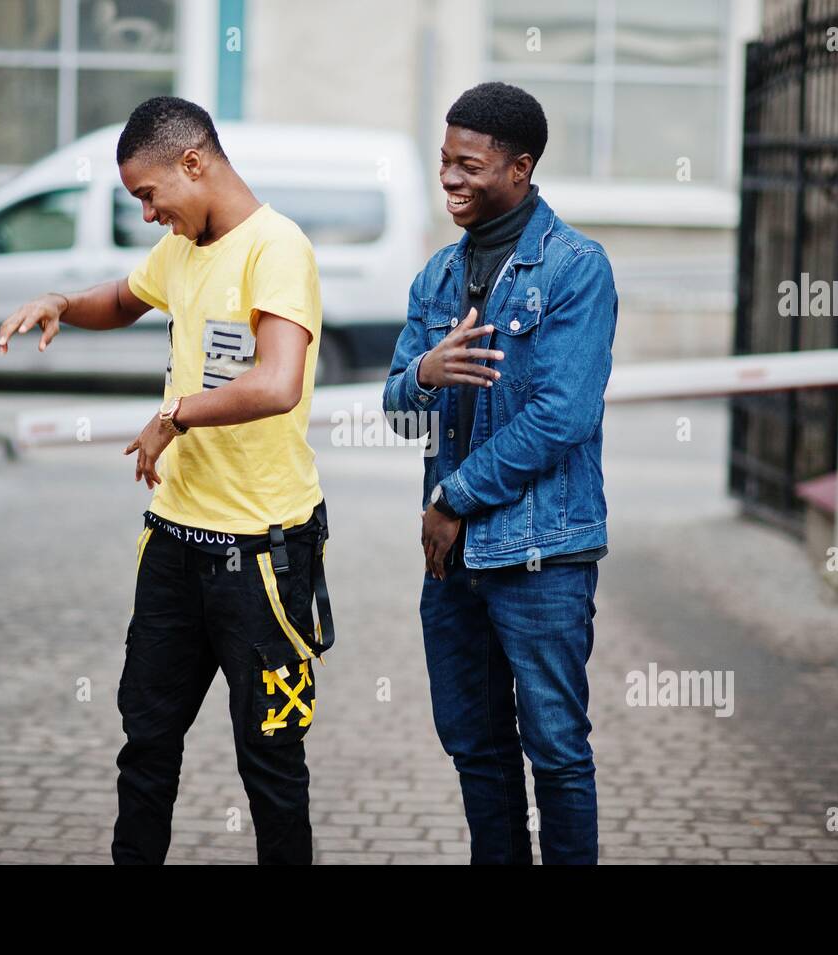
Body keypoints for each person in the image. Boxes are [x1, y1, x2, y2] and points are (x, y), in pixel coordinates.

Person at [0, 96, 334, 865]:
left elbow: (279, 381)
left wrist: (175, 413)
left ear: (193, 162)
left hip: (263, 559)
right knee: (146, 748)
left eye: (149, 196)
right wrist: (60, 301)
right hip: (174, 549)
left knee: (271, 766)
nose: (148, 215)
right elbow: (121, 299)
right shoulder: (184, 249)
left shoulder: (277, 249)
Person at [382, 81, 618, 865]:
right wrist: (425, 372)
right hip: (451, 568)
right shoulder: (435, 279)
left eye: (469, 165)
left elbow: (562, 415)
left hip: (542, 553)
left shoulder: (577, 269)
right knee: (476, 748)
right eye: (444, 160)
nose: (449, 178)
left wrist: (454, 495)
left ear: (519, 168)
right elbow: (396, 410)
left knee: (555, 750)